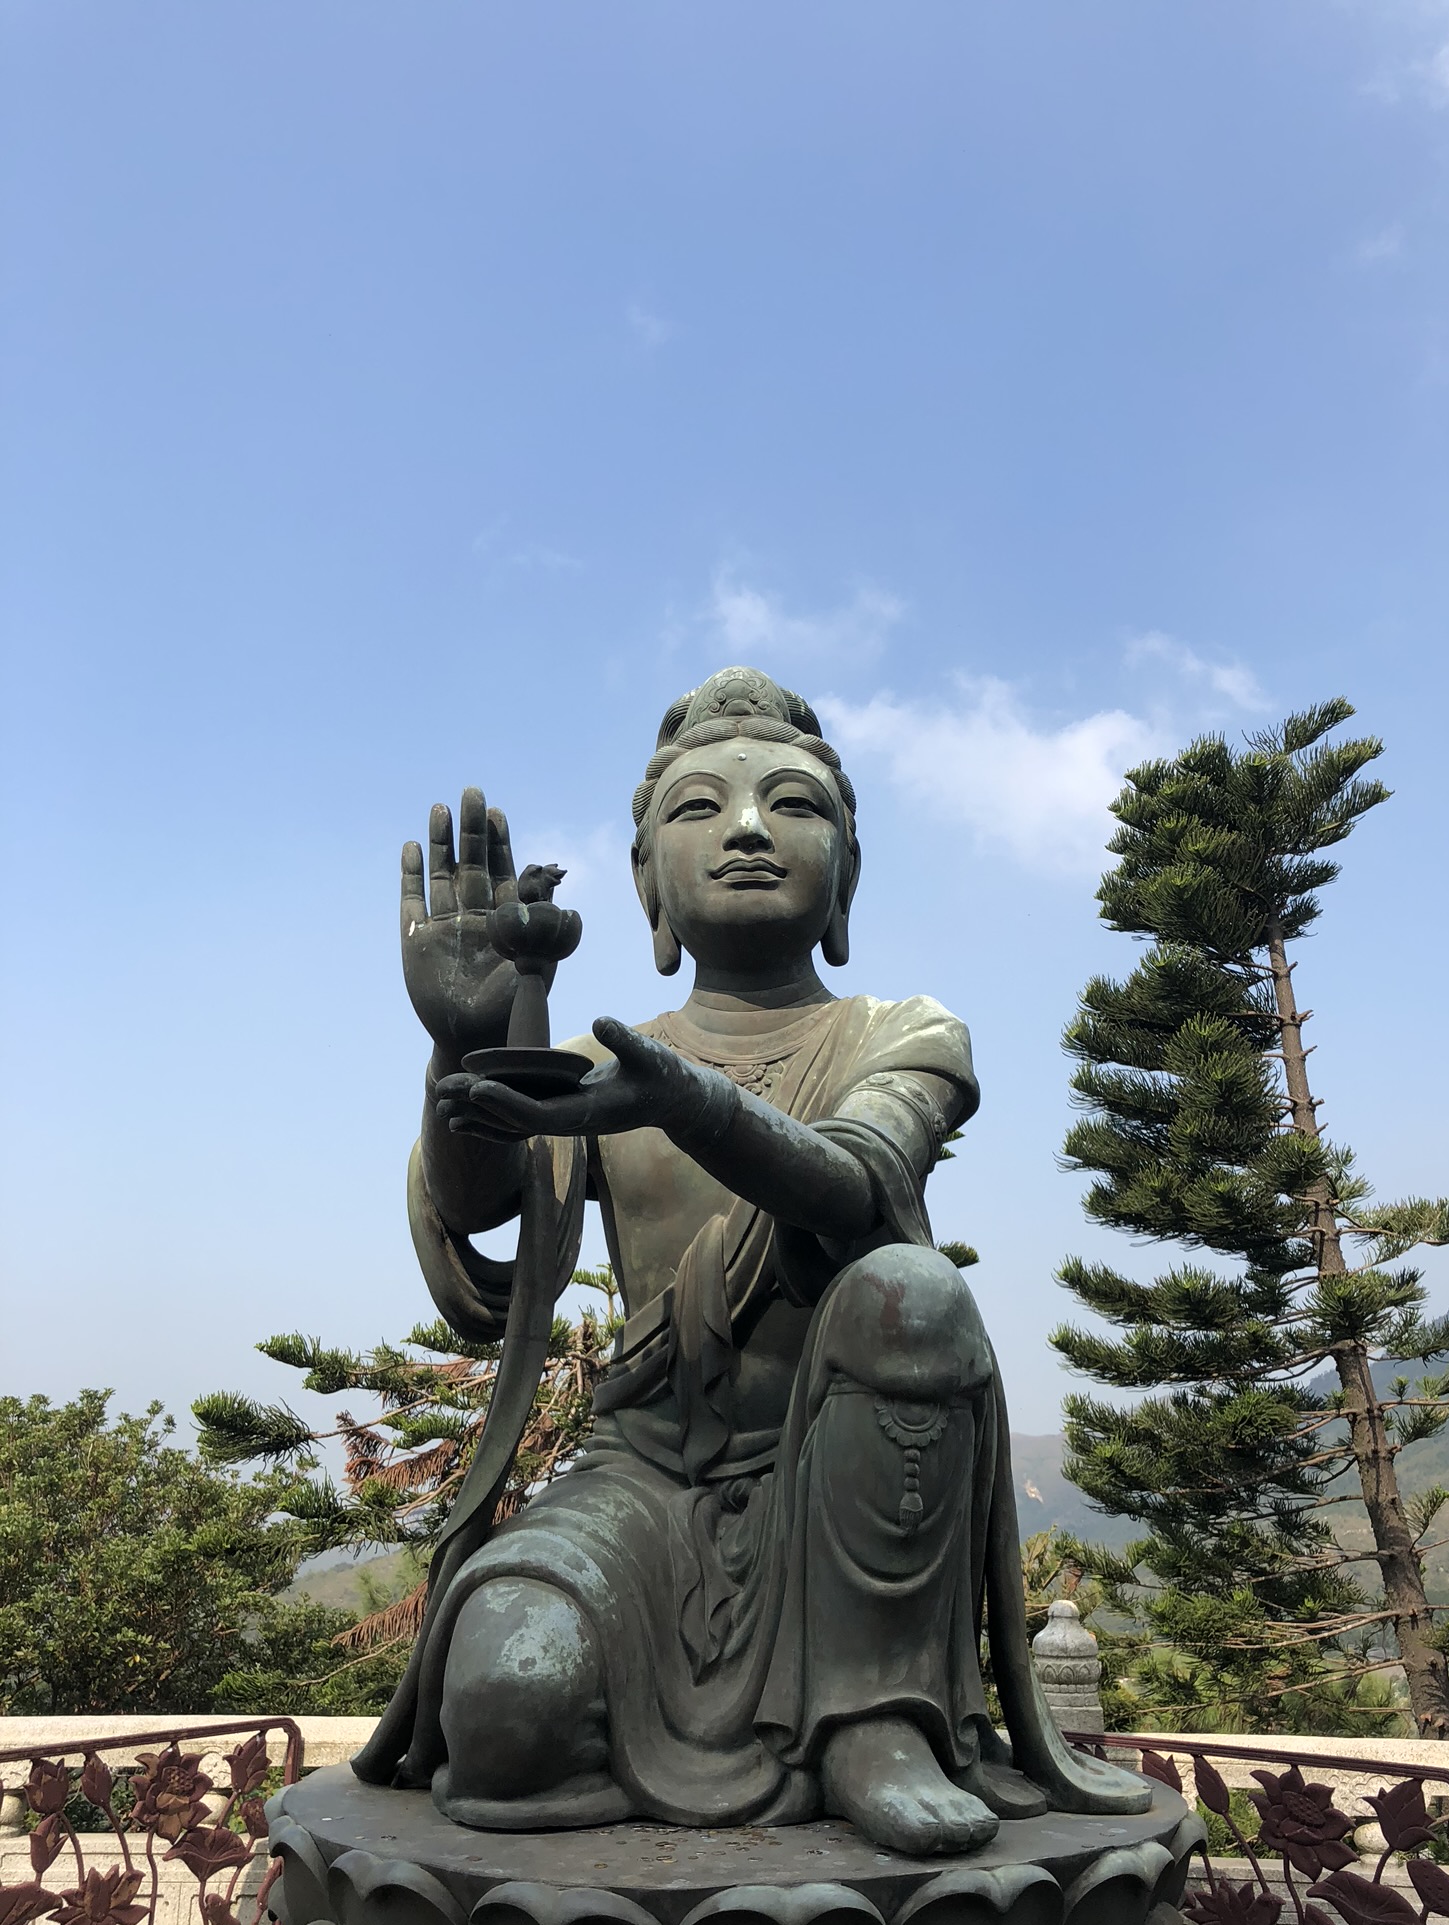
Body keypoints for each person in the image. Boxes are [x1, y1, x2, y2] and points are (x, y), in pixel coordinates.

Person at [352, 667, 1148, 1856]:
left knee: (912, 1291)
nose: (746, 829)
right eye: (698, 808)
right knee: (508, 1704)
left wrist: (683, 1101)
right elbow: (480, 1215)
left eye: (791, 802)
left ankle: (876, 1718)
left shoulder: (901, 1032)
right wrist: (465, 1045)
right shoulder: (603, 1062)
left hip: (846, 1479)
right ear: (647, 885)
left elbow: (857, 1184)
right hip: (646, 1476)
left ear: (846, 874)